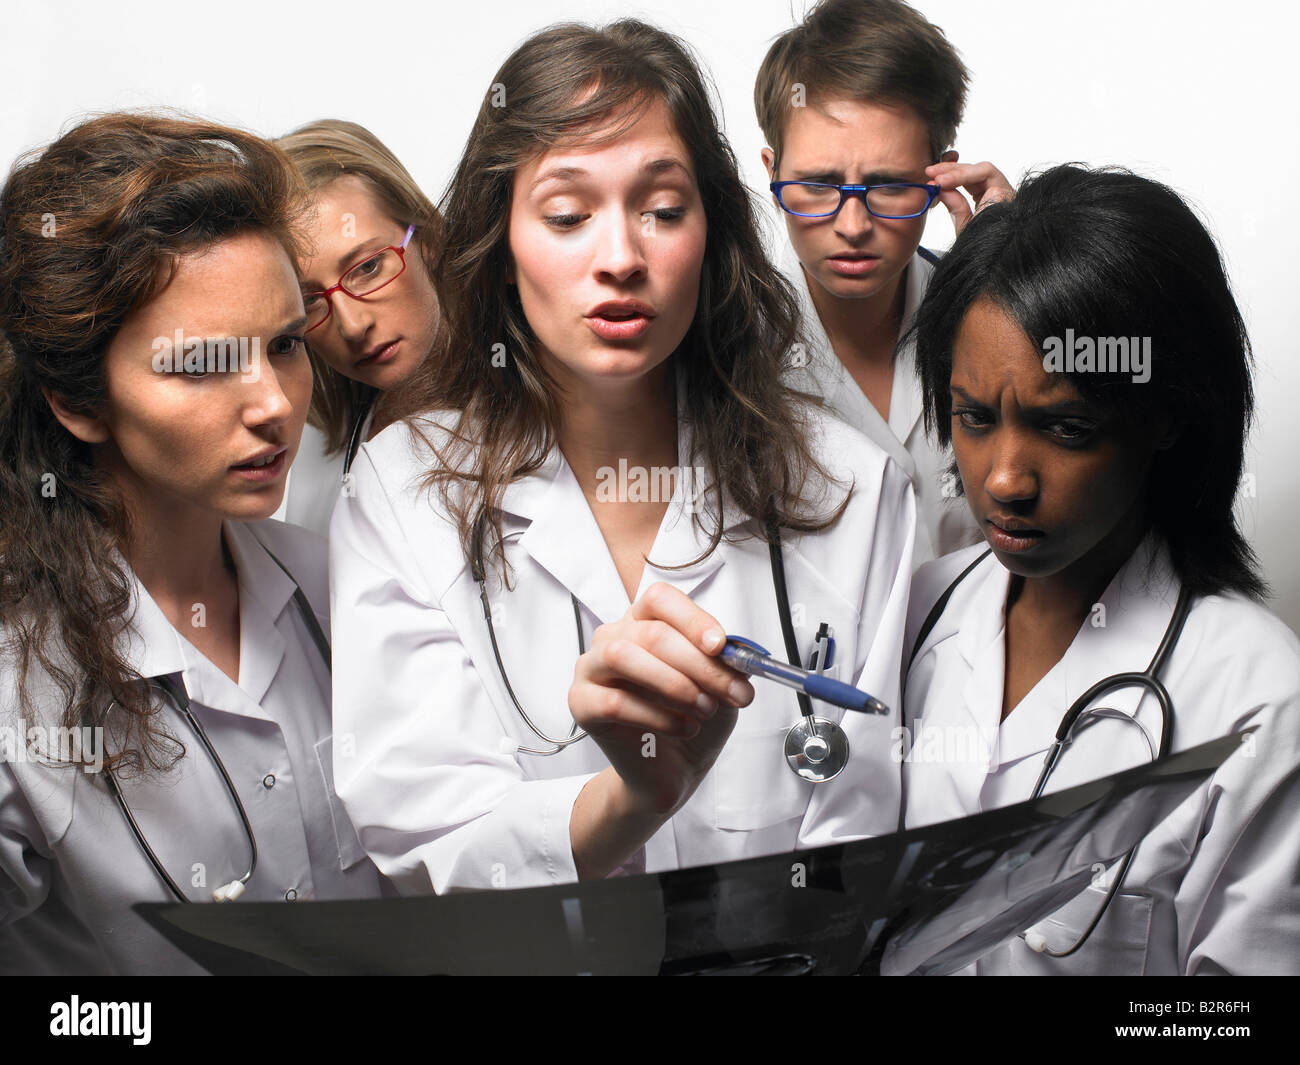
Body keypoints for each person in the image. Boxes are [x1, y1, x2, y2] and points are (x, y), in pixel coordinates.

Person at [329, 19, 917, 894]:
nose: (620, 258)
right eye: (567, 215)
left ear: (711, 232)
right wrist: (635, 796)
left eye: (663, 210)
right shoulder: (397, 492)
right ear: (501, 243)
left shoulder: (852, 486)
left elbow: (859, 840)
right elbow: (428, 840)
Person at [0, 113, 386, 975]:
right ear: (80, 399)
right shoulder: (16, 682)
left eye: (285, 345)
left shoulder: (348, 585)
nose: (274, 403)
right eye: (203, 362)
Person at [901, 164, 1300, 975]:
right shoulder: (919, 613)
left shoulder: (1256, 694)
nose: (1005, 477)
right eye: (974, 418)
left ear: (1164, 420)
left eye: (1067, 427)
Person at [754, 0, 1014, 564]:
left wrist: (1023, 272)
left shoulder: (995, 309)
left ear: (944, 175)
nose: (853, 226)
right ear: (771, 172)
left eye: (889, 185)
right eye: (819, 184)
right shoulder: (724, 344)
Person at [271, 120, 441, 538]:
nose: (353, 324)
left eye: (367, 268)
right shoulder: (316, 443)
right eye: (310, 301)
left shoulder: (558, 394)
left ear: (429, 240)